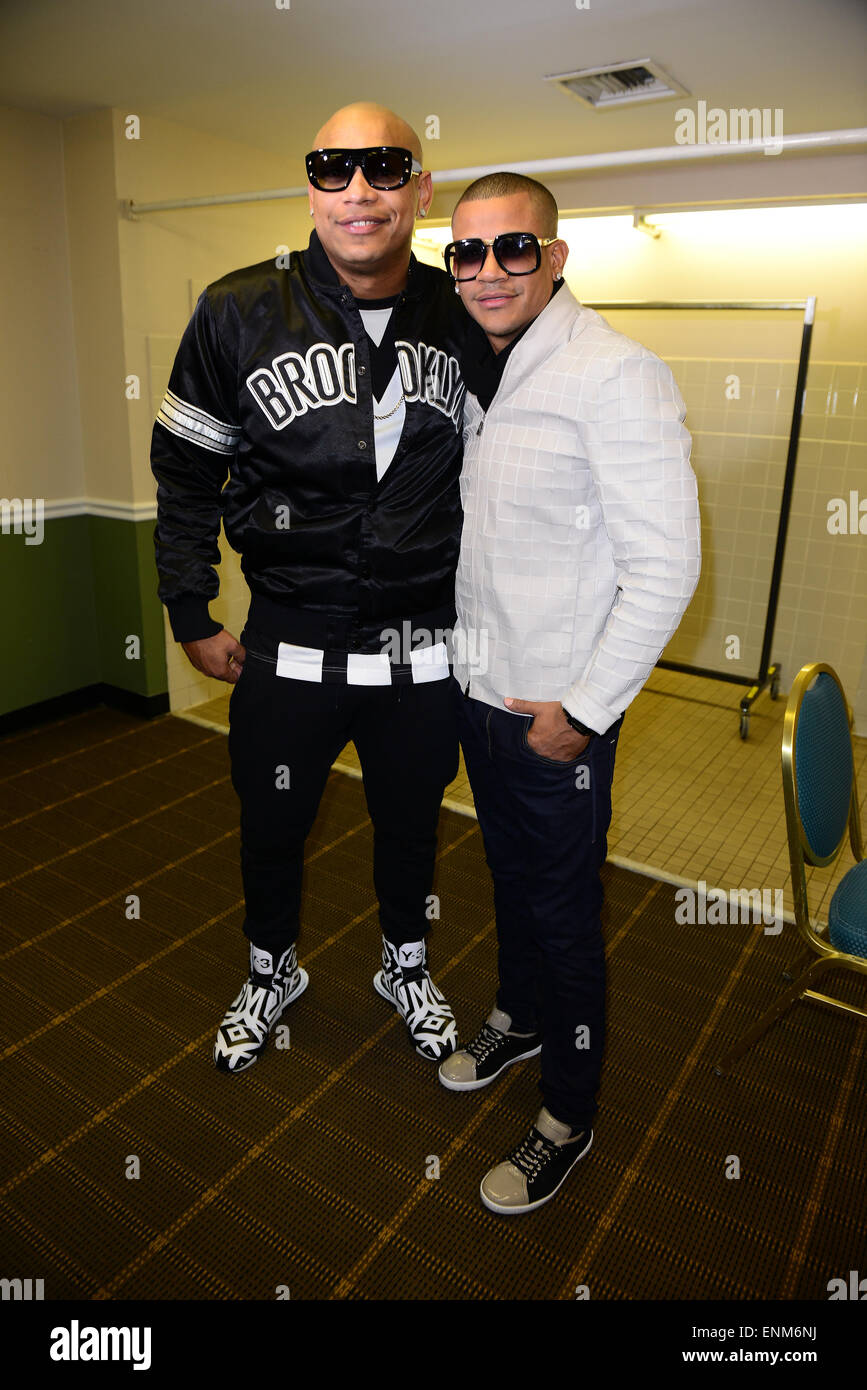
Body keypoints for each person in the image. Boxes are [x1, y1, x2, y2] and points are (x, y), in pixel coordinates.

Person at [150, 103, 468, 1074]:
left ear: (420, 189)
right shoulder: (237, 307)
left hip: (422, 640)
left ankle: (403, 963)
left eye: (383, 167)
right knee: (272, 818)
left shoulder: (465, 312)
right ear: (313, 188)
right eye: (335, 168)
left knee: (414, 820)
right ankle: (271, 966)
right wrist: (191, 608)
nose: (358, 189)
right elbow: (186, 471)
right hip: (291, 637)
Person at [438, 173, 701, 1213]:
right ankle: (520, 1014)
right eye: (468, 252)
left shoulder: (615, 373)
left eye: (513, 248)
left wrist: (583, 711)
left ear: (555, 256)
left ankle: (568, 1114)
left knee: (564, 916)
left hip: (556, 723)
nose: (489, 270)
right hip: (481, 695)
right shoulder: (478, 374)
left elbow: (666, 568)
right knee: (510, 882)